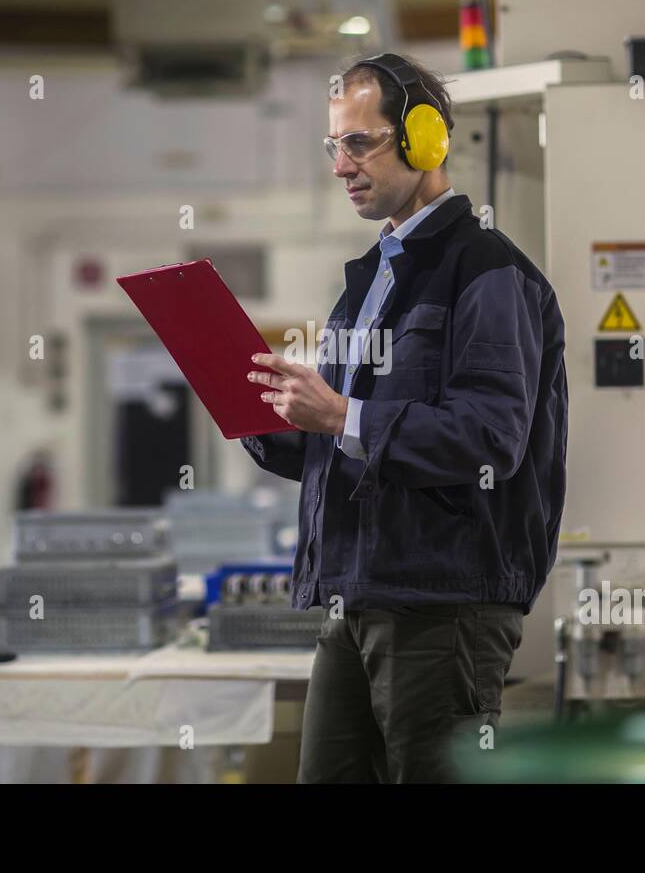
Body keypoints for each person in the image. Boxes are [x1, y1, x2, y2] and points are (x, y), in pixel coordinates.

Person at [241, 52, 568, 783]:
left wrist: (341, 414)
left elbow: (490, 439)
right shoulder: (367, 285)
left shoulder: (487, 272)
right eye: (335, 146)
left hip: (442, 604)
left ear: (425, 140)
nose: (341, 165)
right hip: (357, 596)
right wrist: (259, 412)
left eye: (360, 143)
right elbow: (340, 441)